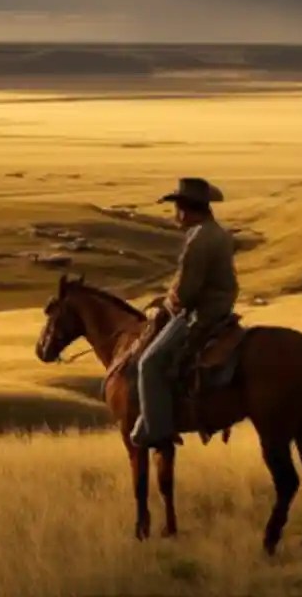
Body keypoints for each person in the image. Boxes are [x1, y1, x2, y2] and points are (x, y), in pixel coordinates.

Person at [130, 177, 239, 448]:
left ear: (185, 208)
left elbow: (188, 291)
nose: (174, 214)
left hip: (201, 315)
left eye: (175, 207)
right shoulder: (219, 233)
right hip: (220, 308)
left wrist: (163, 308)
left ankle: (157, 431)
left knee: (149, 363)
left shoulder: (199, 239)